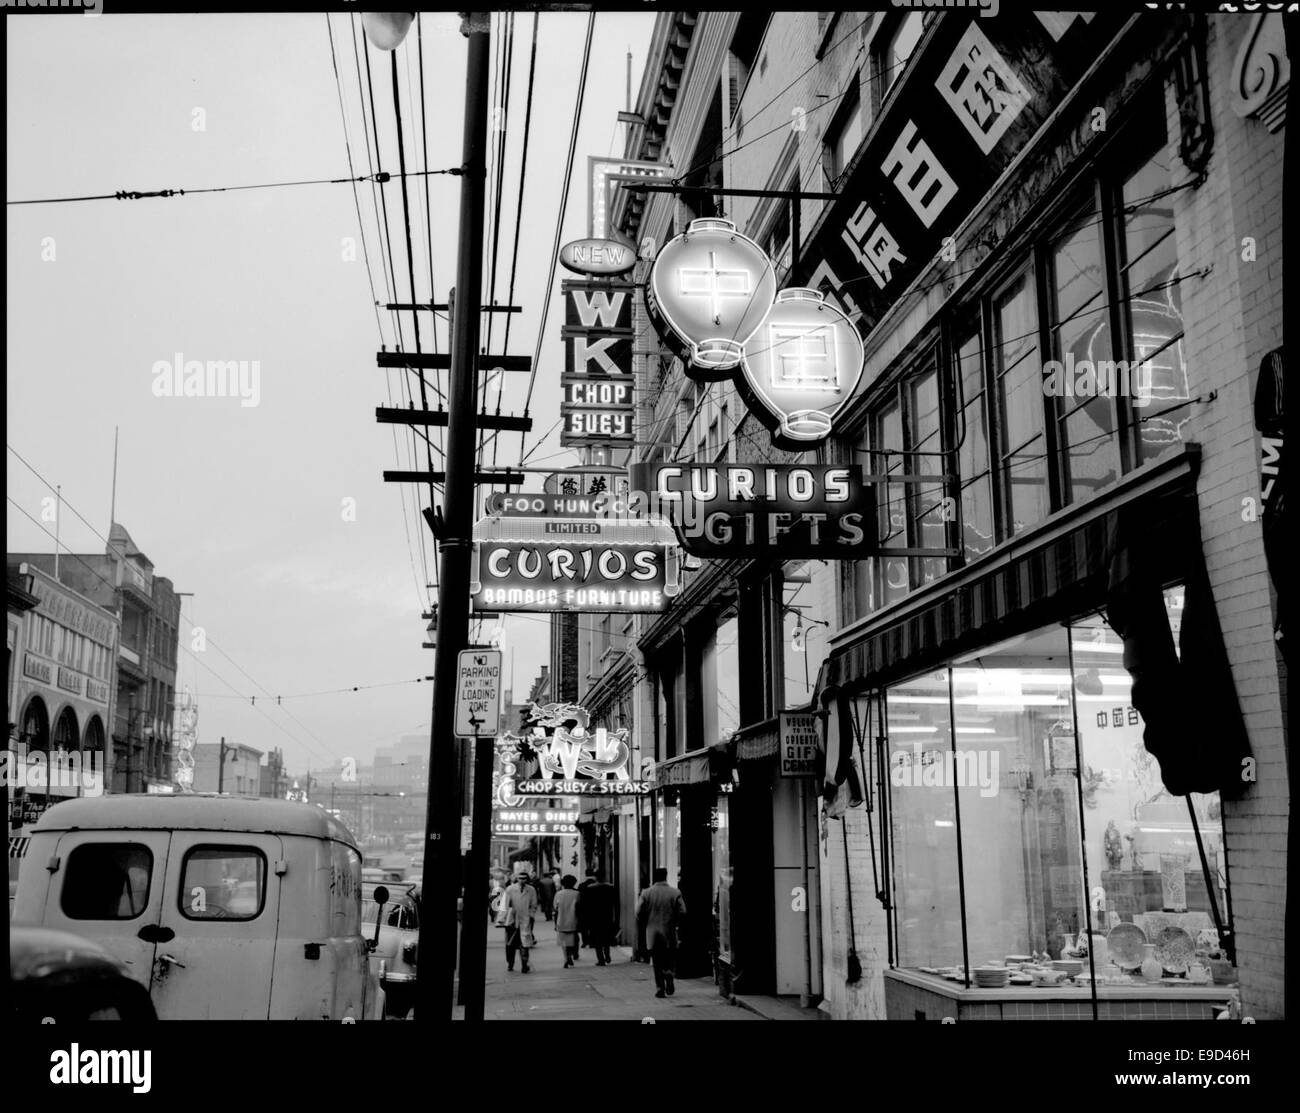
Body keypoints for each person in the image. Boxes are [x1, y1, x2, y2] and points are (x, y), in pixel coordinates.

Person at [636, 868, 687, 998]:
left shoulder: (646, 893)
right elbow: (683, 912)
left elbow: (638, 912)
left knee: (657, 961)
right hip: (669, 932)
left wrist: (645, 921)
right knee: (669, 957)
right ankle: (669, 972)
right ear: (666, 876)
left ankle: (660, 988)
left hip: (652, 933)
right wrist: (674, 921)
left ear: (654, 877)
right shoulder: (675, 893)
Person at [502, 870, 539, 974]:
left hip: (526, 920)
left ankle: (524, 965)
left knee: (525, 944)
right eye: (520, 878)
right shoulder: (510, 889)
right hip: (512, 921)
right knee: (510, 944)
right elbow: (504, 905)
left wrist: (531, 916)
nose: (522, 881)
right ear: (516, 879)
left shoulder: (531, 890)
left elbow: (534, 904)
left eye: (524, 878)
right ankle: (510, 963)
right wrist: (504, 919)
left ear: (527, 879)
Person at [583, 869, 617, 966]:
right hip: (607, 915)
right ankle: (607, 955)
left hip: (595, 917)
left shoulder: (590, 888)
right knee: (606, 938)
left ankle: (600, 959)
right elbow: (615, 902)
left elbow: (587, 905)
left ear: (596, 877)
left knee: (597, 939)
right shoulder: (611, 887)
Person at [553, 874, 582, 967]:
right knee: (572, 939)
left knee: (563, 941)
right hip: (573, 920)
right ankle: (570, 955)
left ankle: (566, 958)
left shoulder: (558, 894)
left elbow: (555, 908)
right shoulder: (577, 894)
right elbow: (580, 907)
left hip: (561, 920)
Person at [577, 871, 597, 949]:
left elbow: (579, 897)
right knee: (593, 926)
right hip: (594, 909)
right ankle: (592, 942)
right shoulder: (596, 885)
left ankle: (585, 942)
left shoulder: (581, 885)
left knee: (583, 927)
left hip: (583, 908)